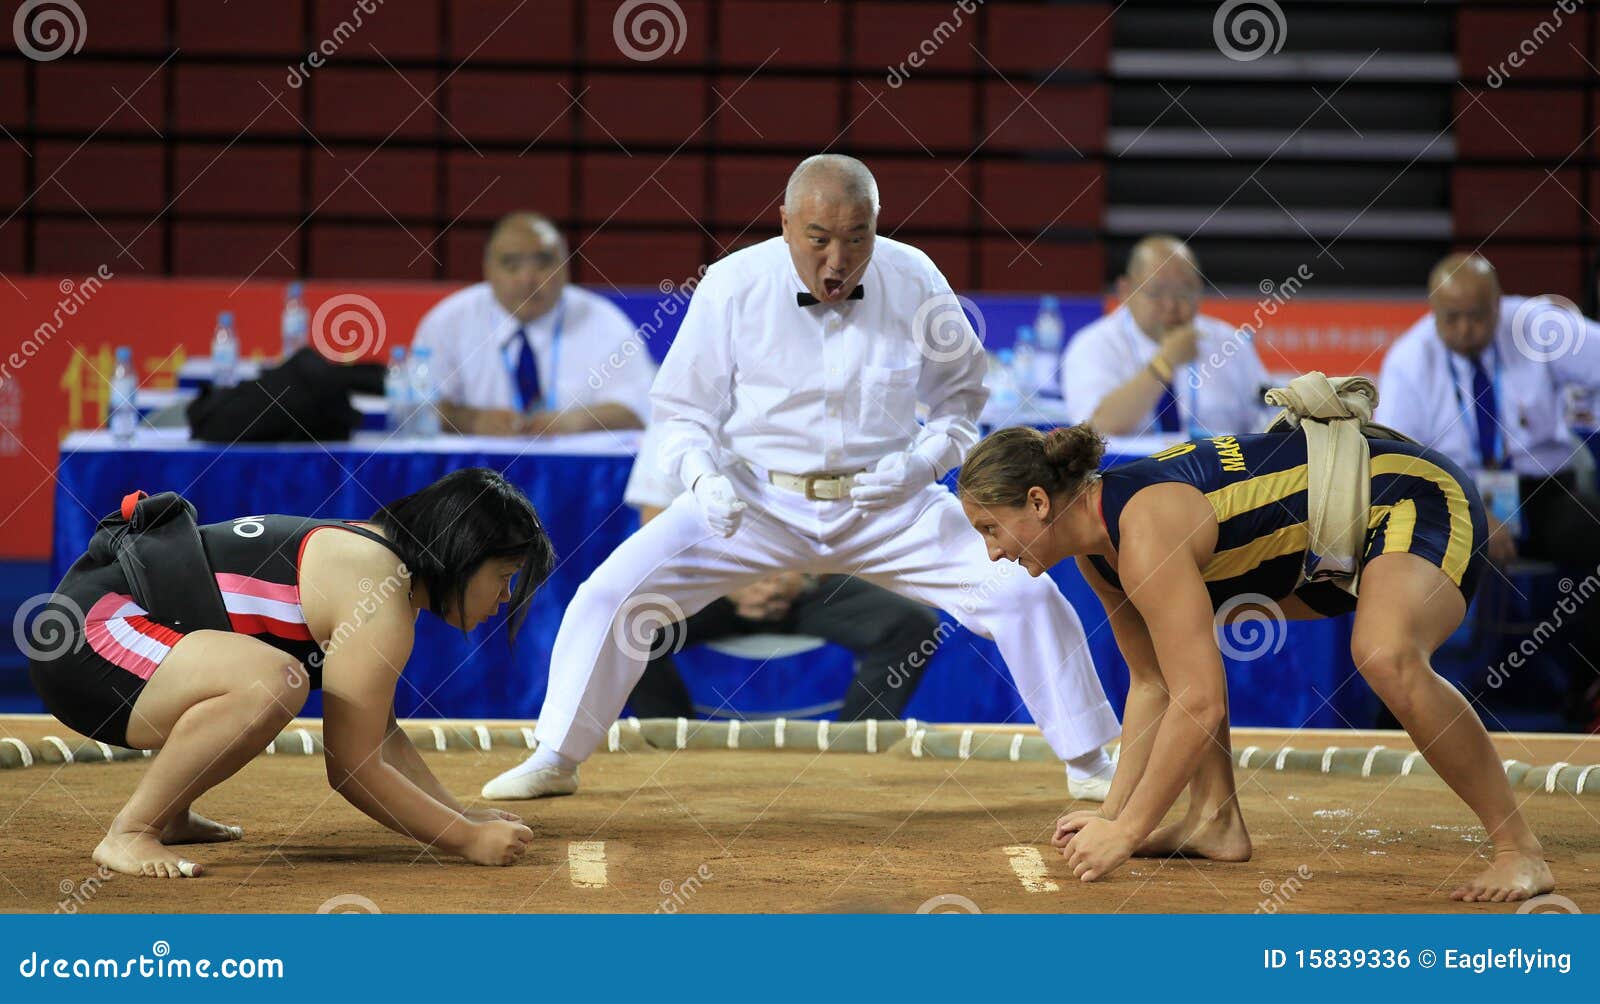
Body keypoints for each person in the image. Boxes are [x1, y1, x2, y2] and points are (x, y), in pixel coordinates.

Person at [480, 154, 1121, 803]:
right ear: (785, 223)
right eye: (818, 239)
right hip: (753, 500)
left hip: (889, 501)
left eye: (856, 238)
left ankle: (1089, 762)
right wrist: (704, 480)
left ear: (878, 225)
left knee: (1026, 594)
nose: (837, 261)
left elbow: (962, 403)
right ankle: (557, 755)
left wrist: (920, 465)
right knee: (608, 595)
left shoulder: (917, 277)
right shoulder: (733, 284)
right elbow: (680, 412)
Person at [956, 422, 1556, 901]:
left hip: (1413, 497)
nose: (991, 552)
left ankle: (1518, 848)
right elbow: (1153, 684)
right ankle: (1213, 821)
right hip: (1314, 549)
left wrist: (1128, 832)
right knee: (1178, 657)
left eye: (990, 528)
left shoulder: (1140, 534)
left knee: (1385, 655)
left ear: (1037, 502)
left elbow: (1200, 701)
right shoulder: (1100, 555)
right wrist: (1110, 814)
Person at [29, 468, 554, 878]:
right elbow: (352, 768)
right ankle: (131, 830)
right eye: (504, 577)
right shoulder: (381, 594)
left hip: (108, 628)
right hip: (91, 636)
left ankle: (169, 813)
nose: (505, 598)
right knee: (273, 680)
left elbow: (380, 738)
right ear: (463, 555)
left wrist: (461, 816)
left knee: (267, 676)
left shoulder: (382, 570)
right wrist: (464, 841)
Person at [1377, 253, 1600, 726]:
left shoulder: (1536, 326)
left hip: (1544, 488)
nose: (1464, 329)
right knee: (1396, 555)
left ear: (1499, 306)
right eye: (1450, 318)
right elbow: (1397, 463)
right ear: (1432, 311)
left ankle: (1586, 692)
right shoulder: (1408, 361)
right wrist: (1474, 510)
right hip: (1451, 493)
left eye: (1477, 316)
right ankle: (1405, 707)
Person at [622, 423, 946, 720]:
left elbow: (854, 513)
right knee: (631, 625)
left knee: (911, 625)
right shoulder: (680, 413)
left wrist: (802, 575)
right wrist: (732, 584)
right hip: (711, 586)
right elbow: (655, 519)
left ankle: (855, 749)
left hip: (809, 579)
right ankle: (673, 749)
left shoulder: (822, 403)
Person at [411, 212, 656, 437]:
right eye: (511, 264)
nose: (527, 278)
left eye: (543, 263)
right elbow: (415, 405)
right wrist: (471, 420)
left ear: (565, 267)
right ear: (487, 270)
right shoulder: (447, 322)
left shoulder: (605, 323)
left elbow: (641, 409)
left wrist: (573, 422)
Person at [1061, 236, 1270, 437]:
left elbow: (1267, 419)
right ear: (1125, 291)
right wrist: (1164, 363)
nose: (1171, 305)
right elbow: (1097, 428)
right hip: (1126, 470)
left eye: (1184, 291)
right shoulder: (1093, 345)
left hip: (1222, 469)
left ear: (1199, 289)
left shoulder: (1229, 342)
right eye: (1156, 292)